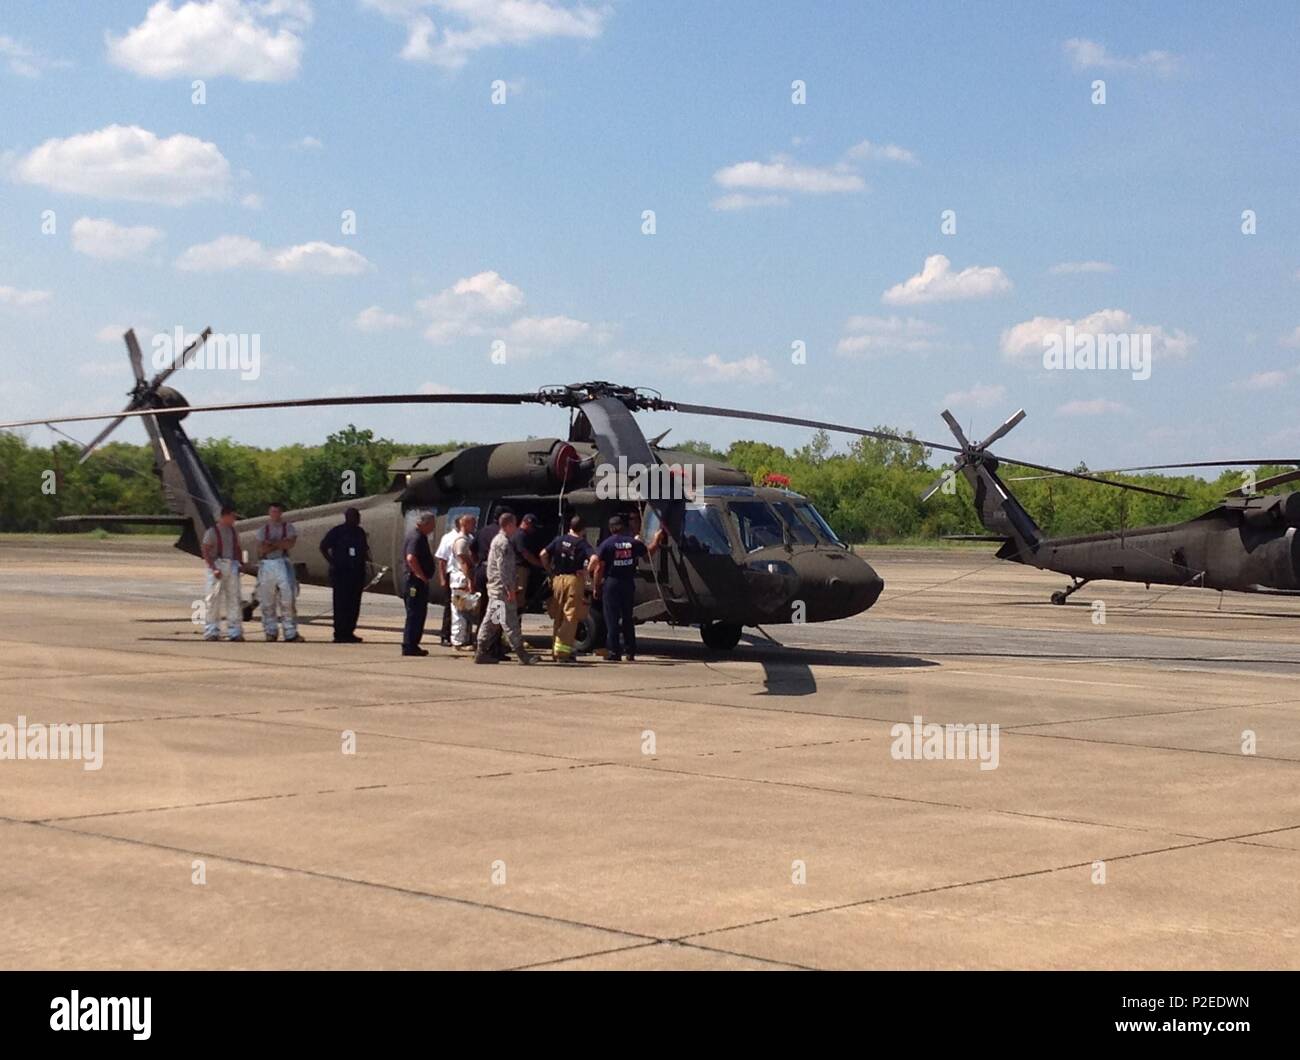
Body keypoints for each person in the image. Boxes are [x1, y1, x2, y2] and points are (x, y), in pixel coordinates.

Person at [590, 514, 666, 662]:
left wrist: (596, 586)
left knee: (611, 619)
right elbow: (647, 555)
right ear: (623, 527)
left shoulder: (607, 544)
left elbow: (599, 567)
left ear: (611, 529)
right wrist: (657, 540)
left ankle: (614, 652)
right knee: (627, 618)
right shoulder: (633, 543)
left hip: (612, 583)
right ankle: (630, 652)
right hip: (628, 583)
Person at [474, 510, 536, 665]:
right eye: (514, 524)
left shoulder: (498, 540)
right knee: (510, 621)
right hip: (502, 590)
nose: (516, 528)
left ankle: (481, 651)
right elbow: (504, 568)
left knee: (492, 621)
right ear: (508, 525)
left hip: (496, 588)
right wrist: (510, 589)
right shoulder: (503, 543)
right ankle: (522, 654)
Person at [540, 515, 593, 663]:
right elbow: (594, 558)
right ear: (583, 529)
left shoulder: (559, 540)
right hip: (573, 581)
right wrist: (587, 571)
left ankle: (555, 651)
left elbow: (543, 554)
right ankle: (562, 652)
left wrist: (549, 570)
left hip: (557, 579)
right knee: (570, 616)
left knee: (558, 615)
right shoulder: (582, 543)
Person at [320, 507, 370, 643]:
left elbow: (365, 550)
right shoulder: (337, 532)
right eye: (354, 516)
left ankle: (349, 631)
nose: (357, 519)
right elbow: (323, 547)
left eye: (357, 517)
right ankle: (339, 633)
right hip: (341, 574)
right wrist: (333, 562)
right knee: (341, 604)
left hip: (356, 573)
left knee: (354, 605)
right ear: (347, 517)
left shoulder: (360, 533)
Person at [256, 502, 303, 642]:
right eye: (272, 511)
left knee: (288, 600)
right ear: (269, 513)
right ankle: (270, 631)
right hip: (267, 565)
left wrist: (271, 544)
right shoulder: (263, 530)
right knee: (267, 601)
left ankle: (290, 632)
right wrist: (279, 544)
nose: (275, 514)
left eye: (277, 511)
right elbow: (261, 549)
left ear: (281, 513)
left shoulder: (288, 527)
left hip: (283, 562)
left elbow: (289, 544)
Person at [201, 505, 244, 642]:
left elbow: (237, 548)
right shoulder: (212, 532)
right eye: (232, 516)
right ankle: (211, 630)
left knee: (234, 599)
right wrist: (213, 568)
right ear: (225, 516)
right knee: (213, 600)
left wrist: (239, 563)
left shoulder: (233, 532)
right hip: (217, 564)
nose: (234, 519)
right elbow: (206, 550)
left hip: (231, 564)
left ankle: (235, 631)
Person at [402, 510, 437, 657]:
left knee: (417, 613)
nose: (433, 528)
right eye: (432, 525)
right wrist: (420, 576)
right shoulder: (417, 537)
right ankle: (410, 645)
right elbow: (411, 558)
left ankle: (412, 644)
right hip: (414, 583)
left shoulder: (418, 536)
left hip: (416, 581)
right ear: (425, 524)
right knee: (415, 613)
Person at [449, 514, 478, 649]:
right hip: (461, 580)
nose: (474, 526)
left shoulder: (468, 539)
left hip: (462, 579)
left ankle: (464, 639)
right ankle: (458, 641)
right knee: (460, 611)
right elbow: (463, 561)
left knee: (466, 610)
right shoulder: (461, 541)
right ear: (464, 524)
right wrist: (470, 580)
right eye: (472, 523)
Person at [434, 515, 463, 647]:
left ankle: (462, 635)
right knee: (450, 606)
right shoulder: (448, 538)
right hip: (452, 574)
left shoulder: (469, 537)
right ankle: (445, 635)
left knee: (464, 606)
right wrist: (442, 578)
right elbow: (442, 560)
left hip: (464, 576)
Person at [512, 513, 547, 606]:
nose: (533, 530)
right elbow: (526, 554)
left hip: (522, 569)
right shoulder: (520, 535)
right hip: (519, 569)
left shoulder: (522, 534)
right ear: (526, 523)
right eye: (532, 527)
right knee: (519, 595)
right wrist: (541, 564)